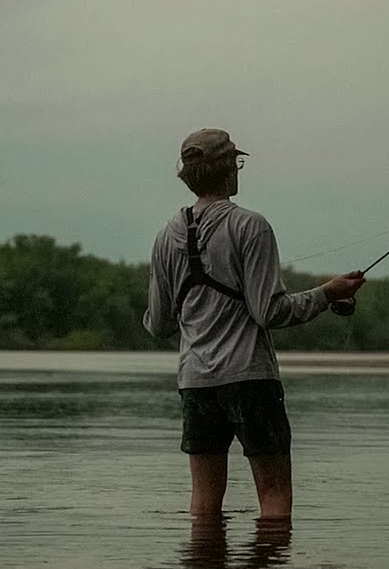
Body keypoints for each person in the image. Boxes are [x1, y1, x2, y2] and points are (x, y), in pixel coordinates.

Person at [143, 128, 366, 520]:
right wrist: (327, 294)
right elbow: (271, 312)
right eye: (236, 162)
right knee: (274, 497)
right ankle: (270, 563)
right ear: (228, 168)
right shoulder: (250, 226)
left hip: (195, 382)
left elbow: (158, 325)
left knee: (204, 504)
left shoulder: (165, 237)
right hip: (250, 378)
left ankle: (203, 563)